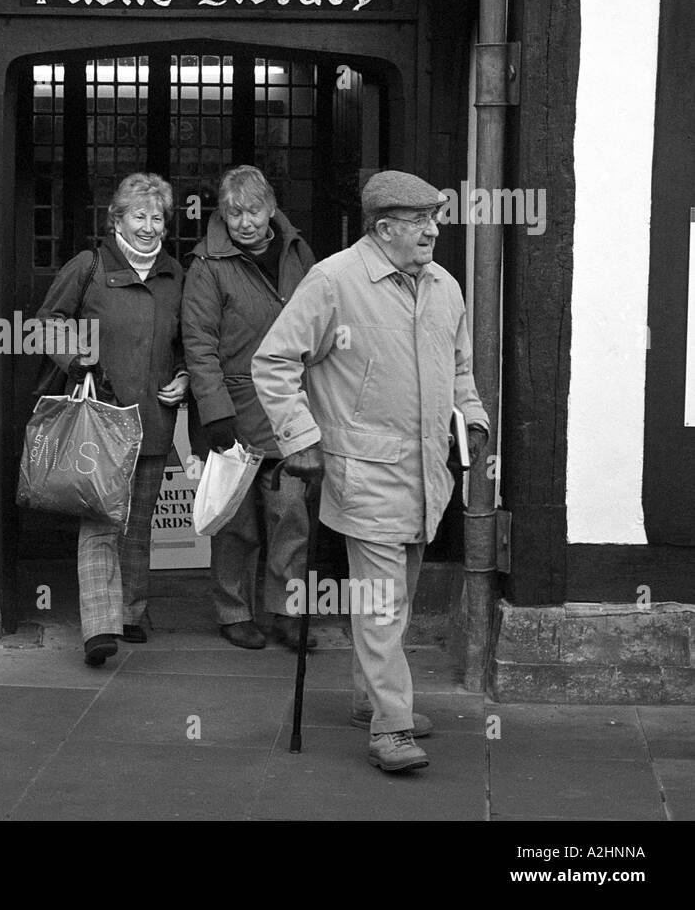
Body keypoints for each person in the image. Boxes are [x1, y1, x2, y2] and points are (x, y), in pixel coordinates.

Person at [252, 169, 489, 772]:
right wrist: (301, 437)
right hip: (365, 472)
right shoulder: (333, 280)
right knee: (382, 603)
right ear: (384, 229)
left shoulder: (444, 287)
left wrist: (474, 416)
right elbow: (275, 361)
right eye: (420, 222)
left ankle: (368, 699)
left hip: (427, 474)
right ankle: (390, 727)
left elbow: (460, 366)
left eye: (435, 218)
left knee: (395, 598)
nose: (433, 230)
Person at [37, 172, 189, 667]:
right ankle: (99, 628)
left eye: (157, 217)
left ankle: (131, 611)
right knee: (101, 523)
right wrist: (76, 354)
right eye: (138, 216)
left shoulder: (176, 275)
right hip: (100, 417)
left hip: (153, 419)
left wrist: (185, 376)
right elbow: (47, 323)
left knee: (138, 525)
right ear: (117, 219)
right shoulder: (90, 265)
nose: (149, 227)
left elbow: (188, 341)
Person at [181, 165, 315, 651]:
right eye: (234, 212)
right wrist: (215, 413)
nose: (245, 222)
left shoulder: (300, 254)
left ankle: (287, 612)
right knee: (236, 524)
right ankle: (233, 610)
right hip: (233, 411)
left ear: (271, 208)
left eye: (254, 210)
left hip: (291, 410)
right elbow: (199, 345)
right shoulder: (207, 267)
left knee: (291, 517)